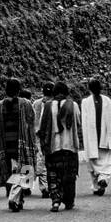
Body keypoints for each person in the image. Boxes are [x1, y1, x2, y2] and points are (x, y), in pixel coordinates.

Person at [0, 77, 37, 212]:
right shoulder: (25, 103)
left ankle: (15, 197)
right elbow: (32, 120)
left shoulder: (0, 105)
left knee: (10, 171)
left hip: (6, 145)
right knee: (24, 170)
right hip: (21, 143)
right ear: (19, 90)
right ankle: (14, 198)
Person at [39, 79, 81, 212]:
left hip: (52, 147)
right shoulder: (73, 105)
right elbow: (78, 123)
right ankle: (69, 202)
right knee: (69, 175)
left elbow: (42, 126)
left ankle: (55, 201)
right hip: (69, 147)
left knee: (53, 175)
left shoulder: (47, 106)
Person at [81, 77, 111, 196]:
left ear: (89, 89)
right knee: (106, 162)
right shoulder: (107, 100)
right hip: (105, 137)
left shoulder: (85, 102)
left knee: (93, 162)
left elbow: (84, 122)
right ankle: (103, 179)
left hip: (92, 138)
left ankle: (97, 185)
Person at [32, 81, 54, 198]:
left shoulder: (36, 103)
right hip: (50, 137)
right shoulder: (54, 103)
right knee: (48, 161)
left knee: (39, 160)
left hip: (37, 136)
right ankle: (47, 187)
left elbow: (32, 120)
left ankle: (43, 186)